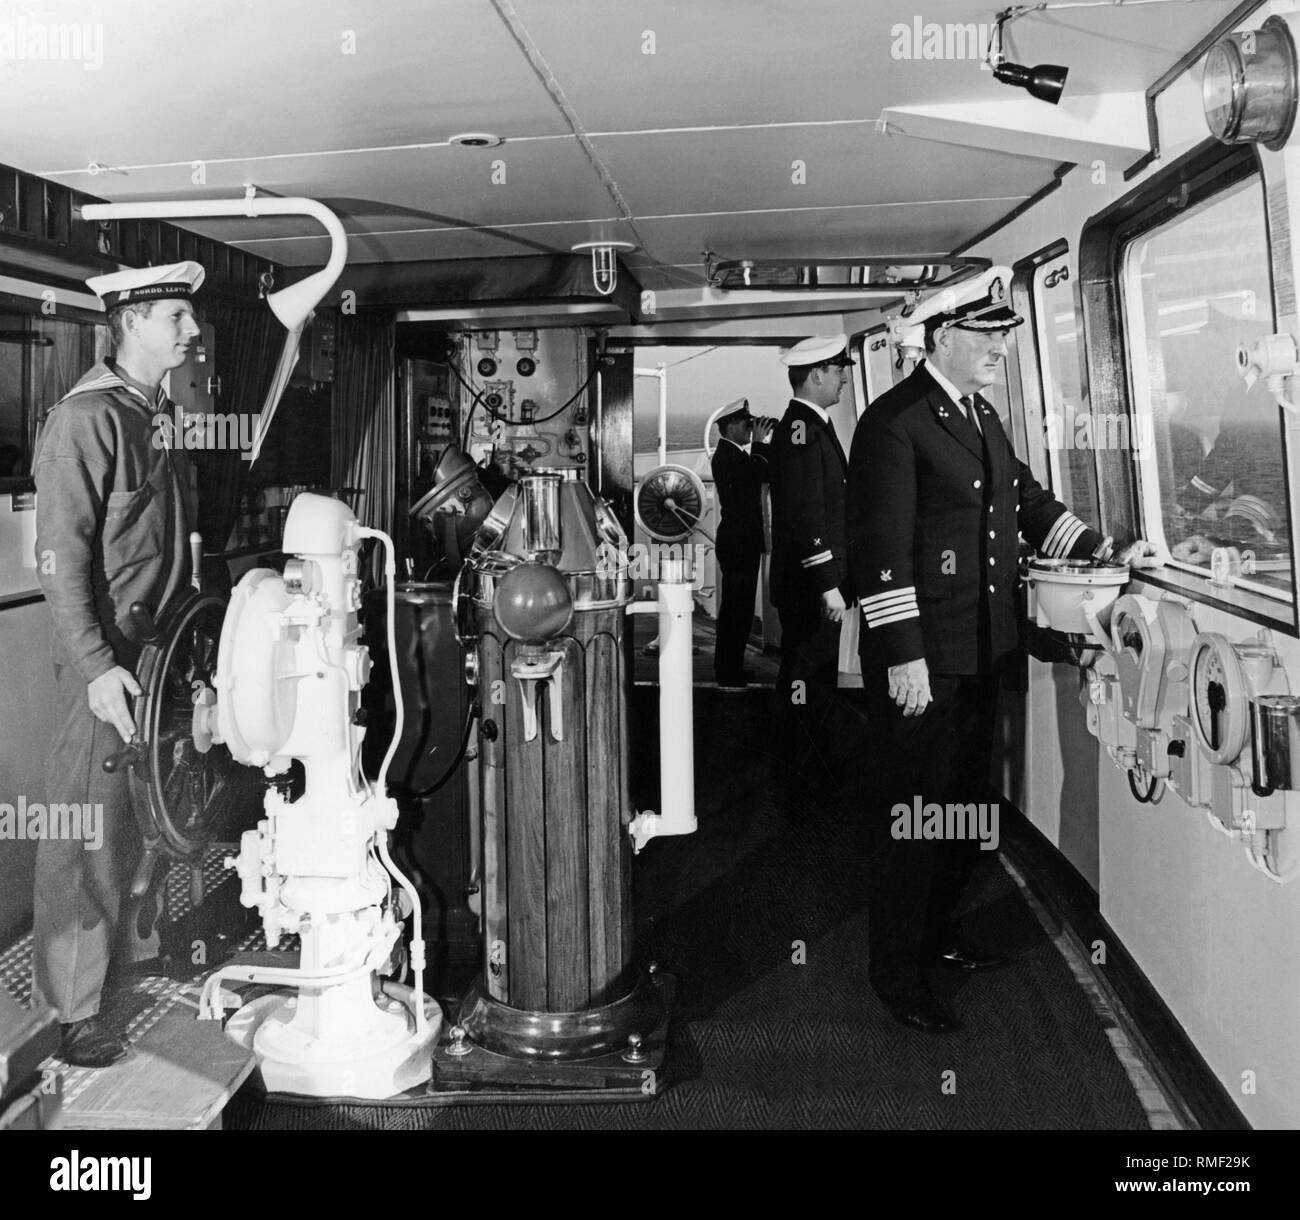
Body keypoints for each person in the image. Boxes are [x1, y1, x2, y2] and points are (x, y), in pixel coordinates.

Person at [847, 268, 1160, 1034]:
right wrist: (906, 658)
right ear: (943, 337)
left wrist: (1101, 548)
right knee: (915, 816)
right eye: (987, 338)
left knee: (962, 808)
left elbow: (1025, 502)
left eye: (1002, 340)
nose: (999, 352)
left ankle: (940, 931)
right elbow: (879, 552)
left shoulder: (980, 415)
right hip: (927, 663)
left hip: (984, 651)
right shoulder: (895, 422)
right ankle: (896, 969)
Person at [32, 261, 203, 1067]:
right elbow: (60, 562)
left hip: (162, 658)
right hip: (110, 668)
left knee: (144, 814)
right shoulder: (85, 421)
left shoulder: (155, 416)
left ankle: (129, 964)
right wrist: (99, 668)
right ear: (131, 322)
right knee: (84, 825)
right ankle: (74, 1008)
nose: (192, 331)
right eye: (177, 315)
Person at [768, 336, 856, 789]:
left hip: (809, 582)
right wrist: (828, 583)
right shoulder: (802, 429)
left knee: (808, 675)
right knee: (806, 676)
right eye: (839, 368)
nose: (845, 376)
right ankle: (800, 772)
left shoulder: (811, 425)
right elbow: (806, 515)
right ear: (815, 374)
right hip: (811, 586)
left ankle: (800, 763)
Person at [710, 398, 773, 689]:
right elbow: (753, 478)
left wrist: (764, 444)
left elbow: (765, 471)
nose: (750, 430)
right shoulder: (726, 456)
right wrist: (760, 444)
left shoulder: (736, 454)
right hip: (738, 542)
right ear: (731, 426)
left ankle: (732, 666)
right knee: (736, 610)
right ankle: (727, 671)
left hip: (741, 541)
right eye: (747, 425)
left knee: (741, 609)